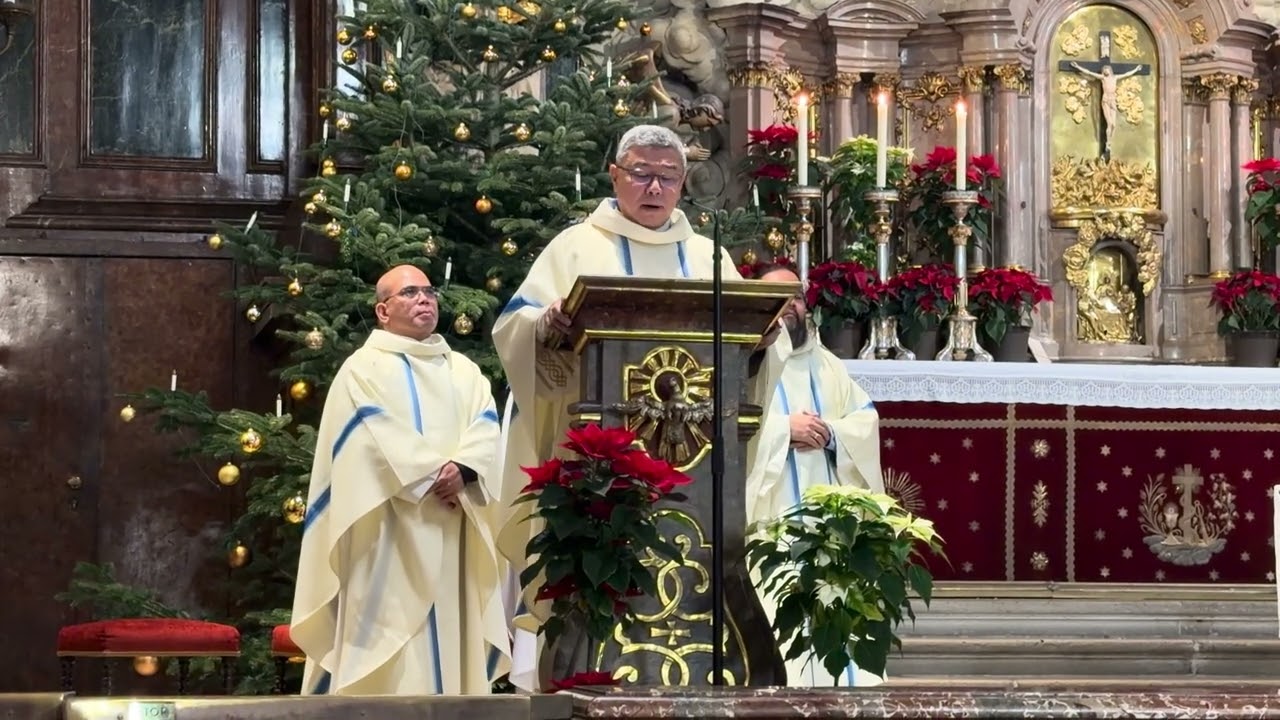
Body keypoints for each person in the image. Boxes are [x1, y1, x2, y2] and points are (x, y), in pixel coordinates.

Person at [492, 124, 787, 691]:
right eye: (641, 174)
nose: (654, 187)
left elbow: (740, 353)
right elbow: (515, 328)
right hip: (603, 458)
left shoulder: (706, 254)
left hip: (696, 464)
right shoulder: (576, 247)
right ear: (616, 177)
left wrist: (760, 345)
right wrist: (547, 325)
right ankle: (589, 672)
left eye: (667, 177)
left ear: (683, 182)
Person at [290, 264, 511, 695]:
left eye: (429, 291)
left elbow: (486, 425)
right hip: (387, 533)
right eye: (409, 293)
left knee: (452, 638)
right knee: (387, 647)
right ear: (383, 311)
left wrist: (463, 470)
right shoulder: (362, 370)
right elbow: (371, 434)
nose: (425, 299)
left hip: (453, 526)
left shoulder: (463, 370)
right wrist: (433, 474)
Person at [743, 263, 885, 687]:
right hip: (770, 520)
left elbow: (865, 420)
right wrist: (784, 429)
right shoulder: (744, 358)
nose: (789, 307)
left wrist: (831, 435)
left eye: (796, 298)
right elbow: (721, 422)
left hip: (827, 526)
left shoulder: (828, 365)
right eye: (776, 299)